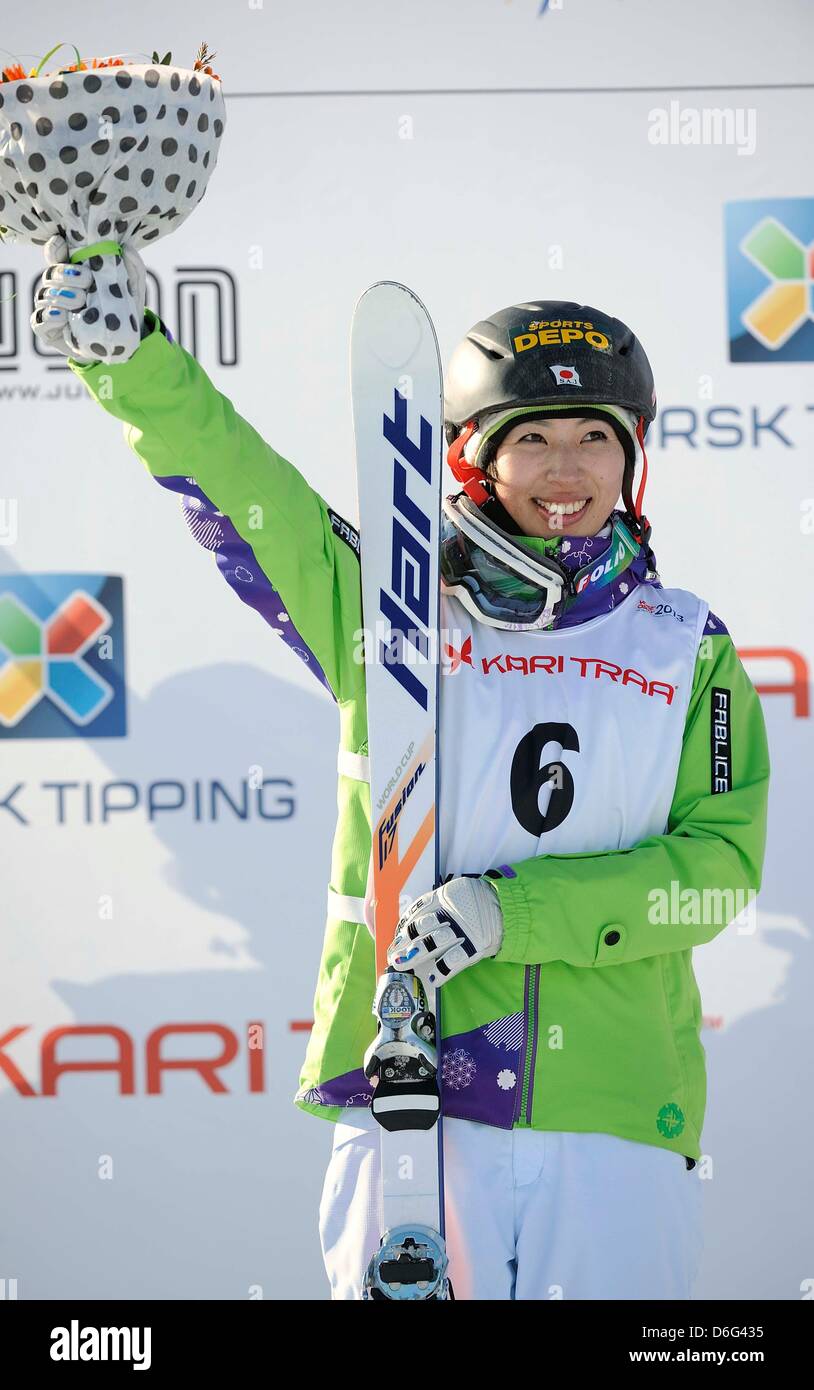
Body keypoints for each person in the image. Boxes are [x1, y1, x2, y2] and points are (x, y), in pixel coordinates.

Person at [33, 244, 770, 1300]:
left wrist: (512, 914)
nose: (567, 469)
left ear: (632, 458)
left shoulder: (686, 645)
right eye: (534, 441)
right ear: (474, 459)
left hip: (613, 1116)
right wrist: (134, 359)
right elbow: (246, 489)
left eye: (595, 440)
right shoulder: (385, 613)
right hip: (413, 1098)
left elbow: (718, 867)